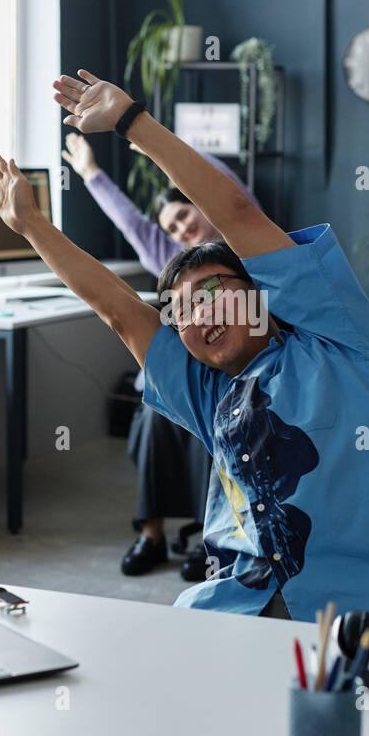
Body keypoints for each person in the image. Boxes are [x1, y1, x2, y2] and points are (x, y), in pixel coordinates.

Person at [0, 67, 369, 623]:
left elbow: (239, 215)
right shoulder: (207, 393)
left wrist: (132, 123)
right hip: (238, 606)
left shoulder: (336, 338)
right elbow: (119, 312)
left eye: (212, 292)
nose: (196, 314)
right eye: (180, 312)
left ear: (262, 292)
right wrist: (31, 225)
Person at [61, 133, 263, 579]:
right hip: (191, 376)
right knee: (154, 418)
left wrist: (159, 142)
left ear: (199, 203)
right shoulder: (168, 259)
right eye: (171, 227)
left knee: (220, 420)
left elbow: (227, 187)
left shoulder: (248, 240)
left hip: (242, 377)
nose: (180, 230)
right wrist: (91, 173)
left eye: (184, 215)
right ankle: (150, 534)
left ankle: (217, 536)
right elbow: (129, 222)